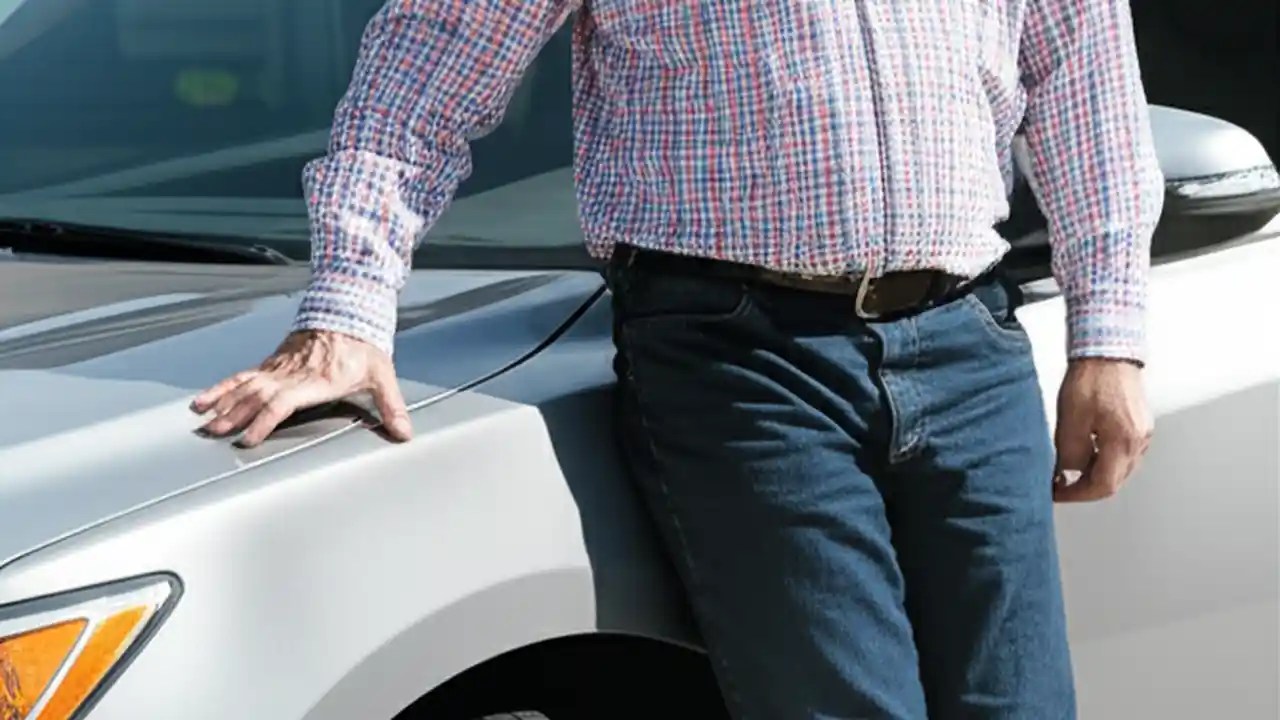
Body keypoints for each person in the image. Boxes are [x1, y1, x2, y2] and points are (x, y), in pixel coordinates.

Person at [191, 1, 1162, 717]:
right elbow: (423, 70)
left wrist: (1108, 328)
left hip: (971, 345)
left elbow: (1082, 66)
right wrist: (347, 310)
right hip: (746, 360)